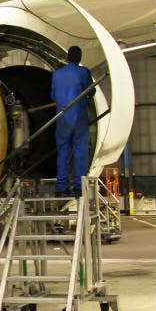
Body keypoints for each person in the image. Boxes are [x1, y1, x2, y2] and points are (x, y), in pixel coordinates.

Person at [50, 45, 94, 197]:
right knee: (80, 152)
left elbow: (53, 96)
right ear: (80, 58)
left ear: (67, 57)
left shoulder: (56, 75)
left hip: (62, 118)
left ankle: (61, 187)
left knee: (63, 152)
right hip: (79, 118)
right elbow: (91, 91)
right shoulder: (83, 72)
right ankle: (78, 186)